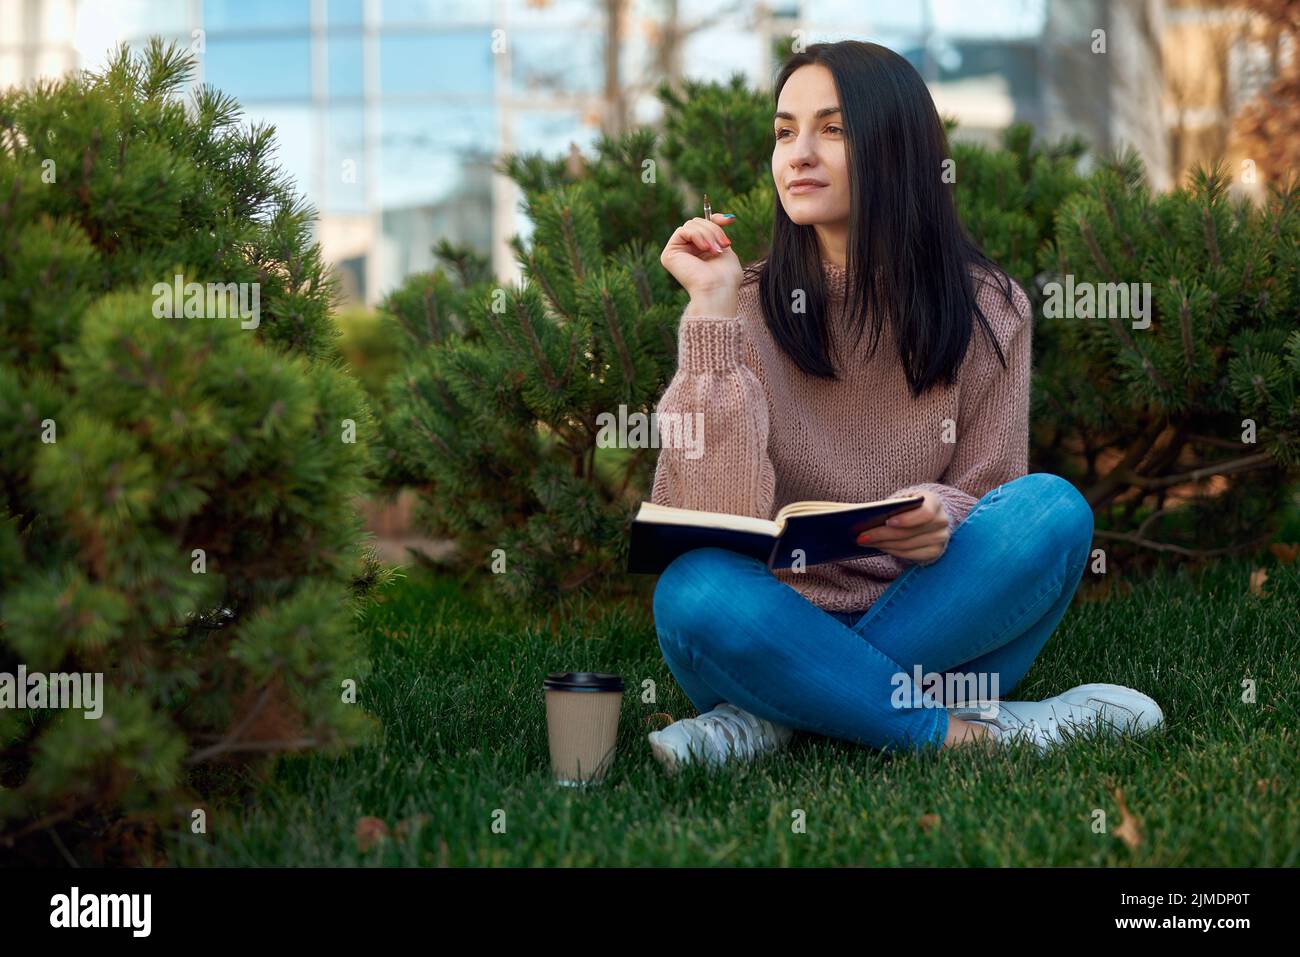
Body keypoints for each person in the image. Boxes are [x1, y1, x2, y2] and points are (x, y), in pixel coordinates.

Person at [646, 40, 1164, 775]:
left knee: (1052, 509)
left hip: (939, 619)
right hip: (771, 621)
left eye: (832, 128)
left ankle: (771, 716)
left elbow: (996, 500)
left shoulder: (989, 306)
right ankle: (963, 730)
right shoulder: (745, 310)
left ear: (894, 143)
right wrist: (711, 318)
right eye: (784, 130)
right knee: (694, 588)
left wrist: (940, 512)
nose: (799, 152)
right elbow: (709, 518)